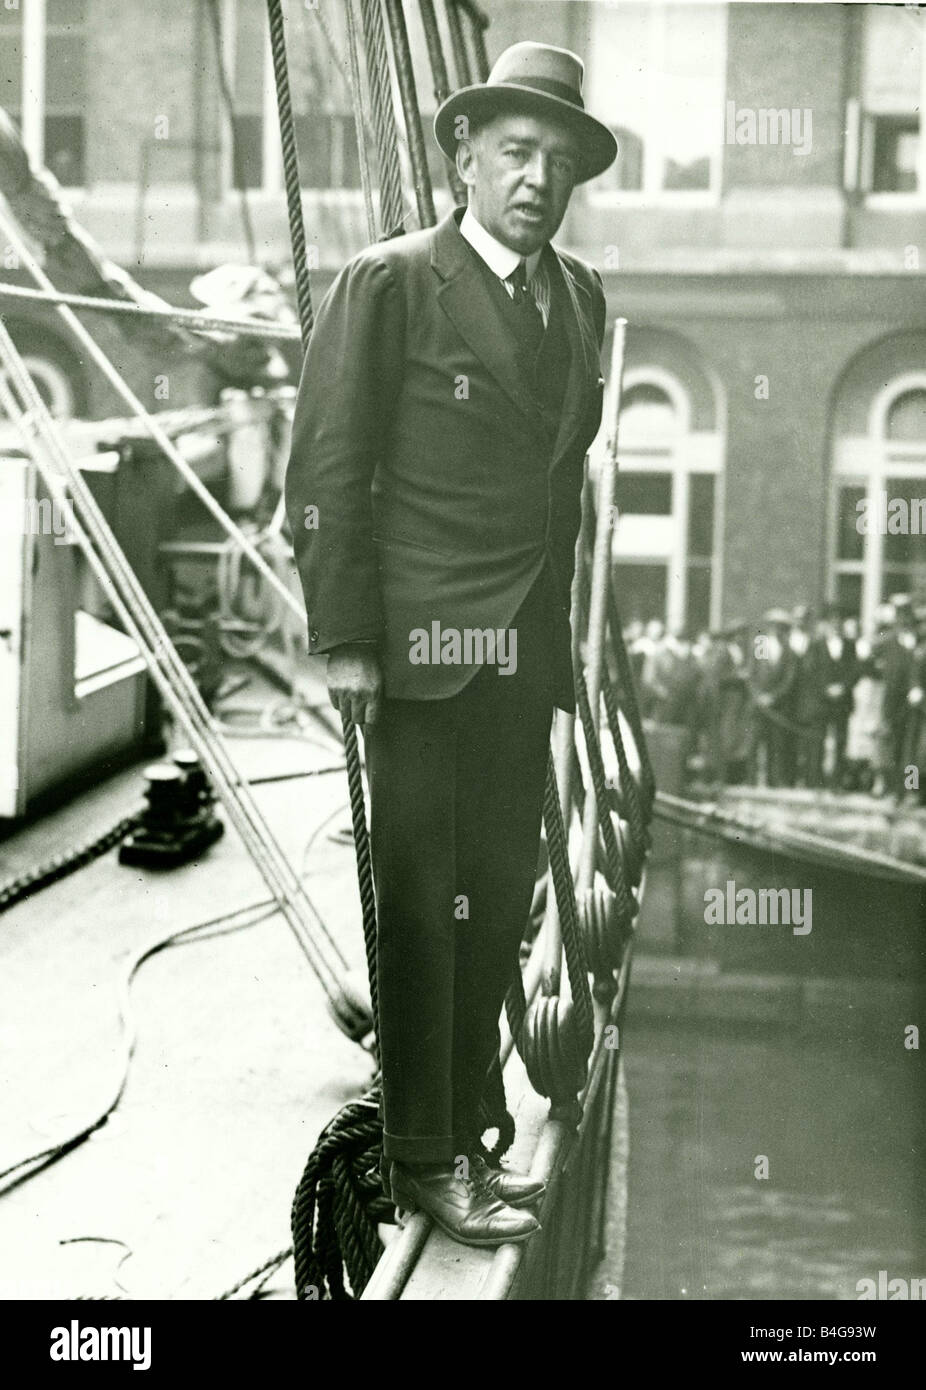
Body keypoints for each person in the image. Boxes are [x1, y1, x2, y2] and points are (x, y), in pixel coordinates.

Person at [284, 42, 616, 1248]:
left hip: (518, 657)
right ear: (463, 156)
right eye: (516, 153)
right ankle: (421, 1153)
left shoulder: (576, 297)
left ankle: (471, 1125)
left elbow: (560, 491)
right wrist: (348, 639)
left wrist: (560, 660)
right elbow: (324, 469)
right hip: (421, 654)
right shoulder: (389, 282)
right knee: (424, 906)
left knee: (496, 904)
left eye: (559, 162)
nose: (536, 179)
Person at [748, 609, 797, 787]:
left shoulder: (787, 648)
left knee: (776, 744)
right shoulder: (761, 645)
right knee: (755, 743)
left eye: (780, 626)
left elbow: (789, 678)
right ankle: (752, 781)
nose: (776, 629)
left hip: (778, 704)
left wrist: (774, 697)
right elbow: (752, 674)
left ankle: (774, 781)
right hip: (759, 705)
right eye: (773, 625)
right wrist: (759, 696)